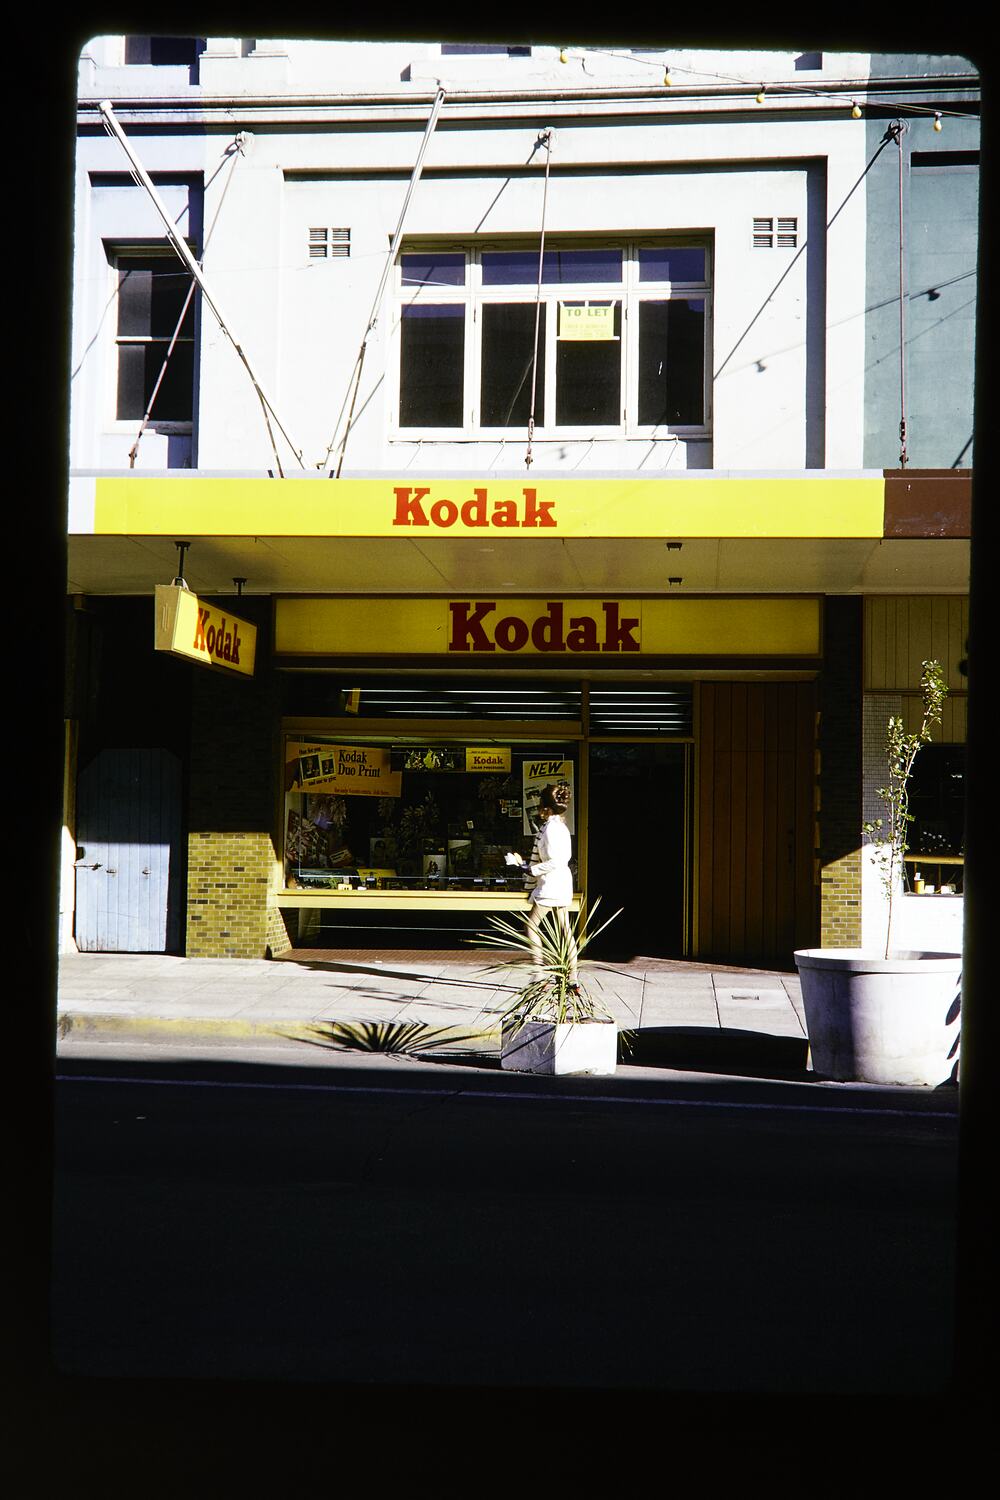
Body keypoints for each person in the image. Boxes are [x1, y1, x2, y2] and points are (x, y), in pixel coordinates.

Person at [507, 782, 579, 984]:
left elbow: (556, 860)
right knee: (564, 929)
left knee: (531, 925)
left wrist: (530, 869)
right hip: (562, 883)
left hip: (551, 884)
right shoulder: (560, 827)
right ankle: (573, 975)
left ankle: (538, 972)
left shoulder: (550, 830)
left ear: (546, 808)